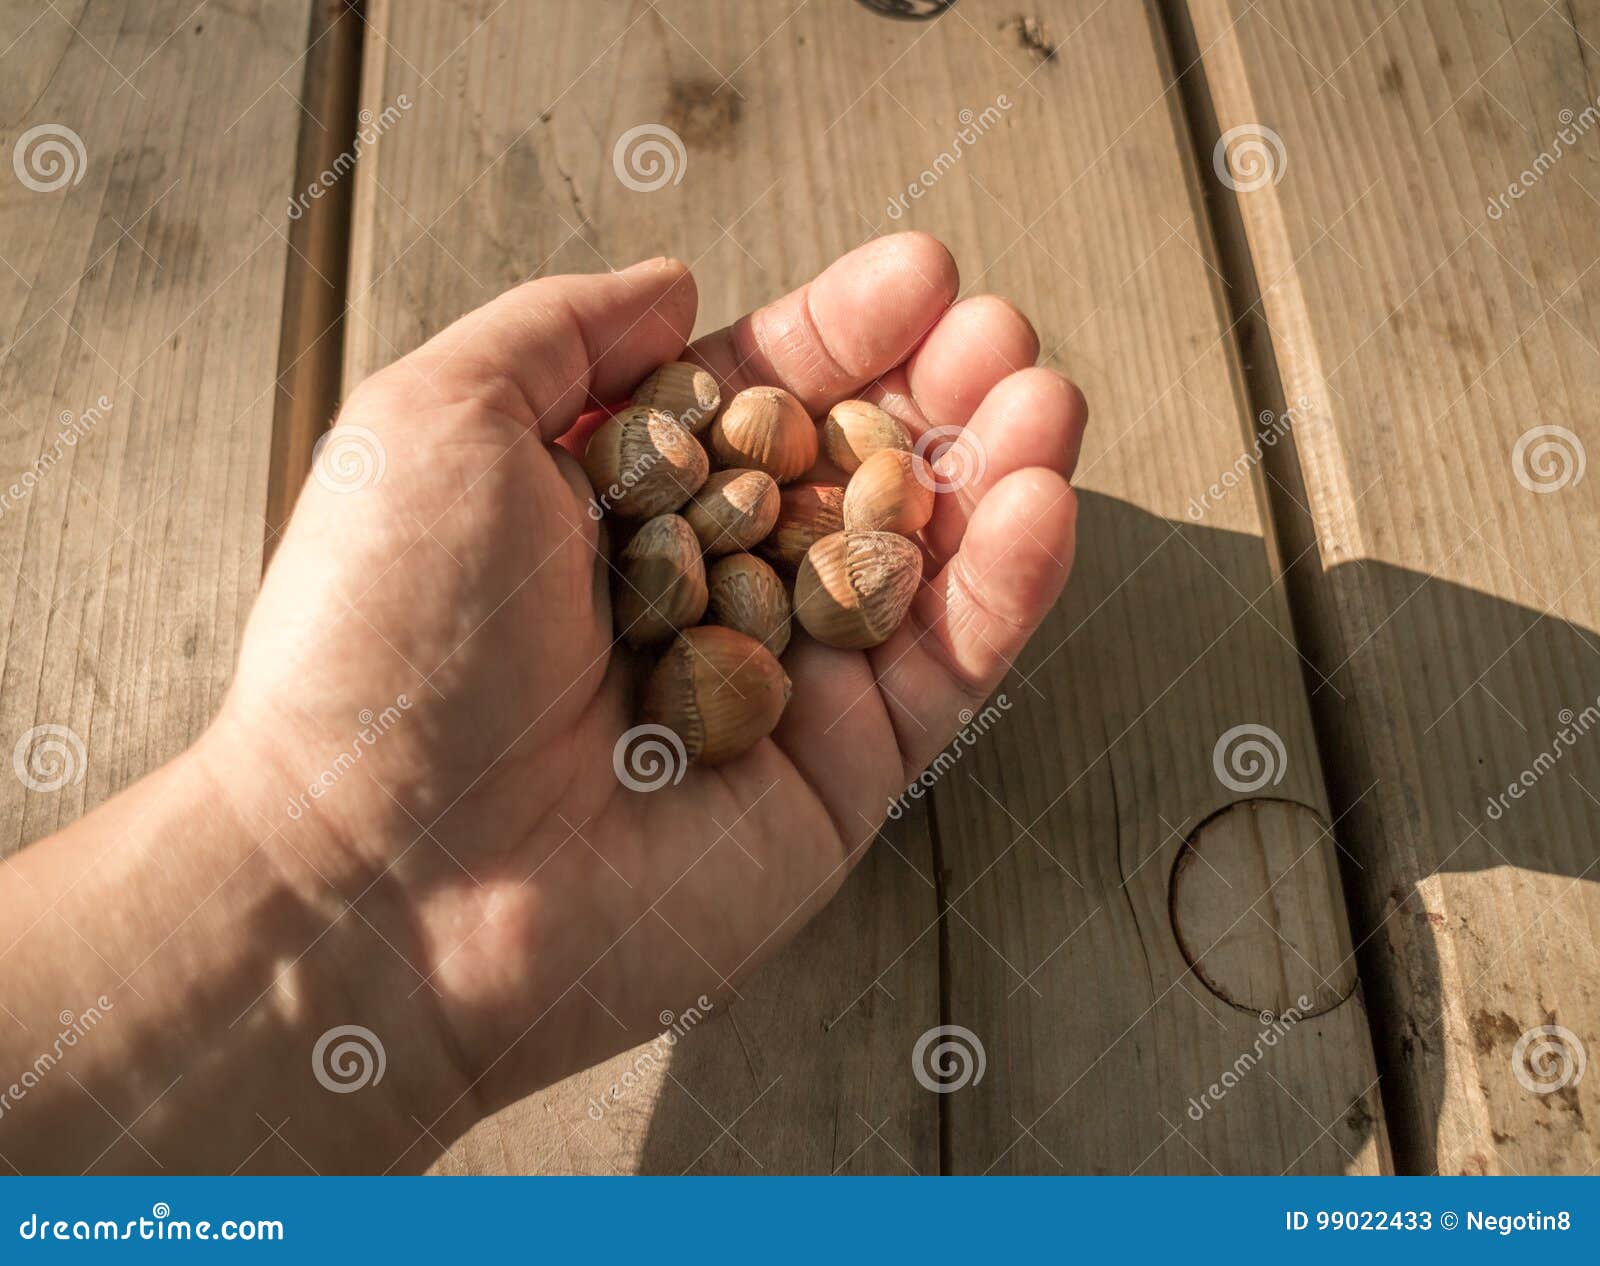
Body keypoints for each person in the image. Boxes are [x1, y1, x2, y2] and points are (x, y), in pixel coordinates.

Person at [0, 233, 1086, 1173]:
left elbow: (751, 519)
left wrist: (312, 861)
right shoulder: (705, 550)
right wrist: (318, 845)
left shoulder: (753, 539)